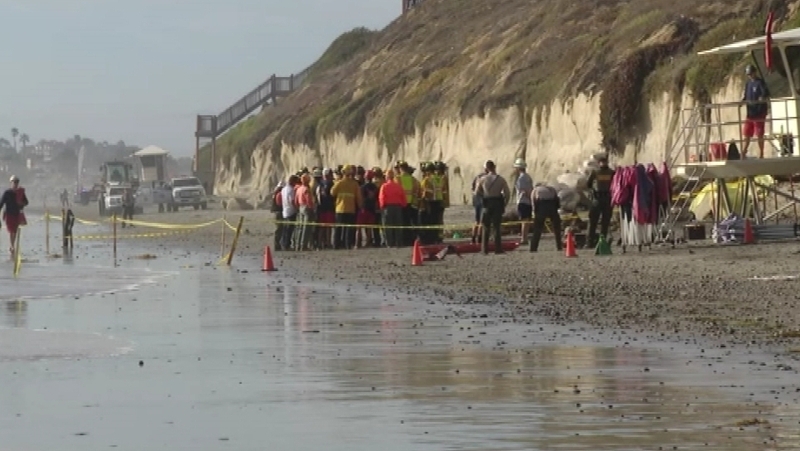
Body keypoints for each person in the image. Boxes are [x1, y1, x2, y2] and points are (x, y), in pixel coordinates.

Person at [474, 160, 510, 254]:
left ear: (486, 168)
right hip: (497, 202)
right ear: (494, 167)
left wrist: (483, 197)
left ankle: (484, 249)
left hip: (486, 203)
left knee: (486, 227)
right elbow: (507, 193)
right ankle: (498, 248)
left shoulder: (482, 179)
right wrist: (505, 203)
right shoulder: (501, 179)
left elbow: (476, 192)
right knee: (496, 227)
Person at [741, 64, 771, 159]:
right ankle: (743, 152)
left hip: (759, 112)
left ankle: (761, 153)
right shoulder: (748, 84)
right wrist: (742, 102)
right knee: (746, 133)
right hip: (750, 113)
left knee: (759, 134)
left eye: (751, 74)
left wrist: (762, 97)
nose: (750, 76)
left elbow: (766, 93)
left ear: (755, 72)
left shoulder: (760, 82)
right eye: (748, 74)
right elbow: (746, 96)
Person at [585, 154, 615, 248]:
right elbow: (588, 184)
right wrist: (592, 192)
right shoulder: (595, 172)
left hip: (607, 198)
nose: (603, 164)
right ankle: (590, 242)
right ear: (598, 163)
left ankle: (602, 242)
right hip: (597, 198)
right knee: (593, 221)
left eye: (605, 162)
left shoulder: (611, 172)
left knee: (605, 222)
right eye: (602, 162)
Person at [331, 165, 363, 249]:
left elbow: (332, 193)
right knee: (349, 228)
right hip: (351, 209)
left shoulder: (339, 183)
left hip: (340, 209)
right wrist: (360, 206)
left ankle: (336, 245)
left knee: (338, 228)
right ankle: (348, 244)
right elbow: (359, 197)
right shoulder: (355, 184)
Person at [0, 175, 28, 257]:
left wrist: (21, 203)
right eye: (14, 182)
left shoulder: (20, 192)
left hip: (17, 214)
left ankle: (12, 245)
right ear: (11, 183)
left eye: (17, 182)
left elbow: (26, 202)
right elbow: (1, 204)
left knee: (15, 231)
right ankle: (12, 246)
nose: (15, 184)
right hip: (9, 214)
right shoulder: (7, 193)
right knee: (11, 230)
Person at [529, 183, 562, 252]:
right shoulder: (552, 189)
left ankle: (533, 248)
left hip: (541, 206)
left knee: (537, 229)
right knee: (557, 228)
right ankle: (559, 246)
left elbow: (533, 203)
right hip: (552, 206)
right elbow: (557, 201)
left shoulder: (535, 190)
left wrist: (535, 213)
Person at [379, 169, 407, 248]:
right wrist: (403, 205)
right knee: (398, 225)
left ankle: (389, 243)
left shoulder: (384, 186)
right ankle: (398, 242)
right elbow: (403, 197)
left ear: (387, 177)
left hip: (387, 207)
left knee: (388, 226)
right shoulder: (398, 186)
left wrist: (382, 206)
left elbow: (382, 197)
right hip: (398, 207)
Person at [513, 158, 533, 244]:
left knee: (524, 220)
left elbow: (524, 190)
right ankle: (525, 237)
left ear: (518, 168)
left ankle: (523, 238)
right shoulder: (528, 177)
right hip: (528, 201)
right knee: (527, 220)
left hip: (523, 201)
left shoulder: (521, 179)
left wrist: (529, 197)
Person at [357, 170, 379, 248]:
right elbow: (377, 199)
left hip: (364, 208)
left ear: (365, 177)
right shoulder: (375, 187)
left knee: (359, 227)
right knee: (369, 227)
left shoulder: (362, 187)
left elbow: (360, 198)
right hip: (372, 209)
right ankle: (367, 243)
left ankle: (357, 243)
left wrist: (360, 206)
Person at [294, 174, 315, 251]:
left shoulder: (299, 189)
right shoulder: (306, 189)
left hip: (300, 207)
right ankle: (303, 245)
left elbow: (296, 201)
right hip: (306, 208)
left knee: (300, 227)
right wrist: (312, 208)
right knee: (306, 228)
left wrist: (298, 207)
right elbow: (309, 200)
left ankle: (297, 245)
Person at [316, 168, 336, 249]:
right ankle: (328, 243)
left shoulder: (320, 184)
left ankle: (319, 243)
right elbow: (333, 194)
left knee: (322, 227)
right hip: (329, 207)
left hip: (321, 208)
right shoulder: (331, 183)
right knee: (328, 227)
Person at [280, 175, 300, 251]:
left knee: (285, 229)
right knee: (289, 230)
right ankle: (287, 245)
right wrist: (297, 208)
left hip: (285, 211)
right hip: (291, 211)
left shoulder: (284, 189)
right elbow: (292, 201)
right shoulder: (291, 190)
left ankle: (283, 243)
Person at [270, 181, 285, 251]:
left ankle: (277, 244)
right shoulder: (279, 194)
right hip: (279, 212)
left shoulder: (275, 193)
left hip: (276, 212)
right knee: (279, 229)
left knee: (279, 228)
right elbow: (279, 204)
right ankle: (277, 244)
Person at [470, 172, 484, 244]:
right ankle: (479, 238)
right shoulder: (484, 177)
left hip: (476, 199)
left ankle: (473, 238)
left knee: (476, 220)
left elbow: (472, 188)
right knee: (481, 221)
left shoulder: (478, 176)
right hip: (482, 199)